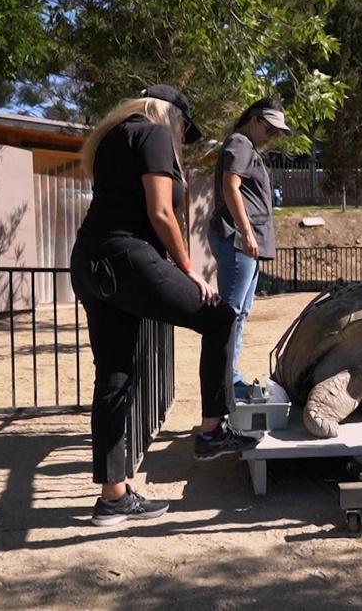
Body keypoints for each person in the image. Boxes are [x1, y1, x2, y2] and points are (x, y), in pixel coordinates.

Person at [70, 85, 257, 527]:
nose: (181, 138)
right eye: (183, 129)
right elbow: (161, 212)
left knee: (114, 376)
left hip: (89, 261)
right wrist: (189, 268)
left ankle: (113, 498)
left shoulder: (111, 138)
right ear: (171, 114)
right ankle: (212, 429)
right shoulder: (152, 133)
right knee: (219, 317)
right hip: (127, 257)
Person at [210, 98, 291, 398]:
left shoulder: (246, 146)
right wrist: (246, 232)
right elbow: (230, 186)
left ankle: (230, 377)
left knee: (239, 313)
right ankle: (223, 383)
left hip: (245, 240)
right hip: (238, 239)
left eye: (276, 132)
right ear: (254, 120)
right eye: (269, 129)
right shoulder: (240, 143)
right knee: (230, 315)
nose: (272, 136)